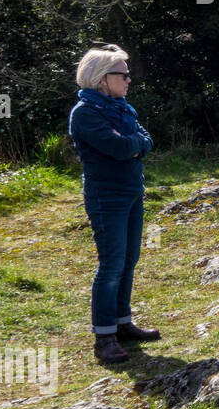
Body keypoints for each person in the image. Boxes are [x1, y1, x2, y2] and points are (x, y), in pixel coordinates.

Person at [68, 44, 162, 364]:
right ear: (101, 78)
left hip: (132, 192)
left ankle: (123, 324)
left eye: (128, 74)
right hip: (106, 197)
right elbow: (120, 147)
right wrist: (134, 145)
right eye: (122, 74)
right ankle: (104, 337)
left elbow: (145, 140)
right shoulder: (85, 113)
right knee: (111, 265)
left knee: (129, 260)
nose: (128, 80)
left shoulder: (123, 108)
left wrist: (134, 145)